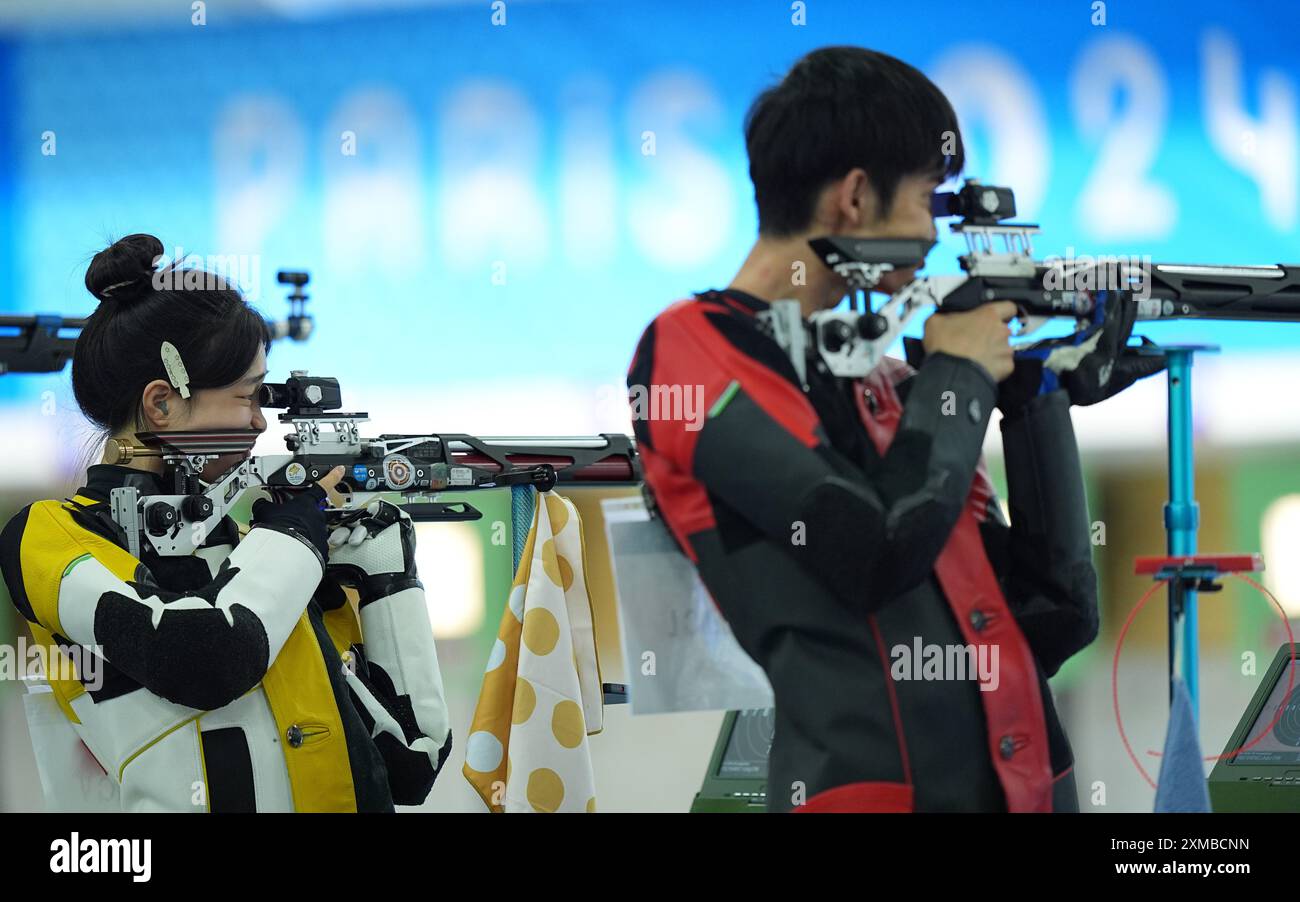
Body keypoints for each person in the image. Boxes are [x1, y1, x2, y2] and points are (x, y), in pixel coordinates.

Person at [627, 46, 1163, 812]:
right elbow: (872, 550)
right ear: (854, 197)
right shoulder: (688, 351)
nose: (933, 234)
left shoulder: (878, 375)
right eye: (925, 200)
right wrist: (962, 375)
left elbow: (1051, 618)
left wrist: (1034, 402)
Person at [0, 234, 452, 811]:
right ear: (161, 403)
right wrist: (296, 530)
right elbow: (207, 657)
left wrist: (387, 579)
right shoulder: (46, 537)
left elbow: (411, 762)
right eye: (247, 396)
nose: (263, 423)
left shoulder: (253, 561)